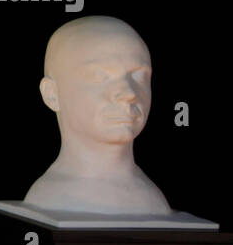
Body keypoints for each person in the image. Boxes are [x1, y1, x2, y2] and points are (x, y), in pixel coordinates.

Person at [24, 15, 170, 214]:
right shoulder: (50, 197)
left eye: (140, 76)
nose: (129, 93)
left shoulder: (153, 201)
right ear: (52, 94)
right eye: (99, 76)